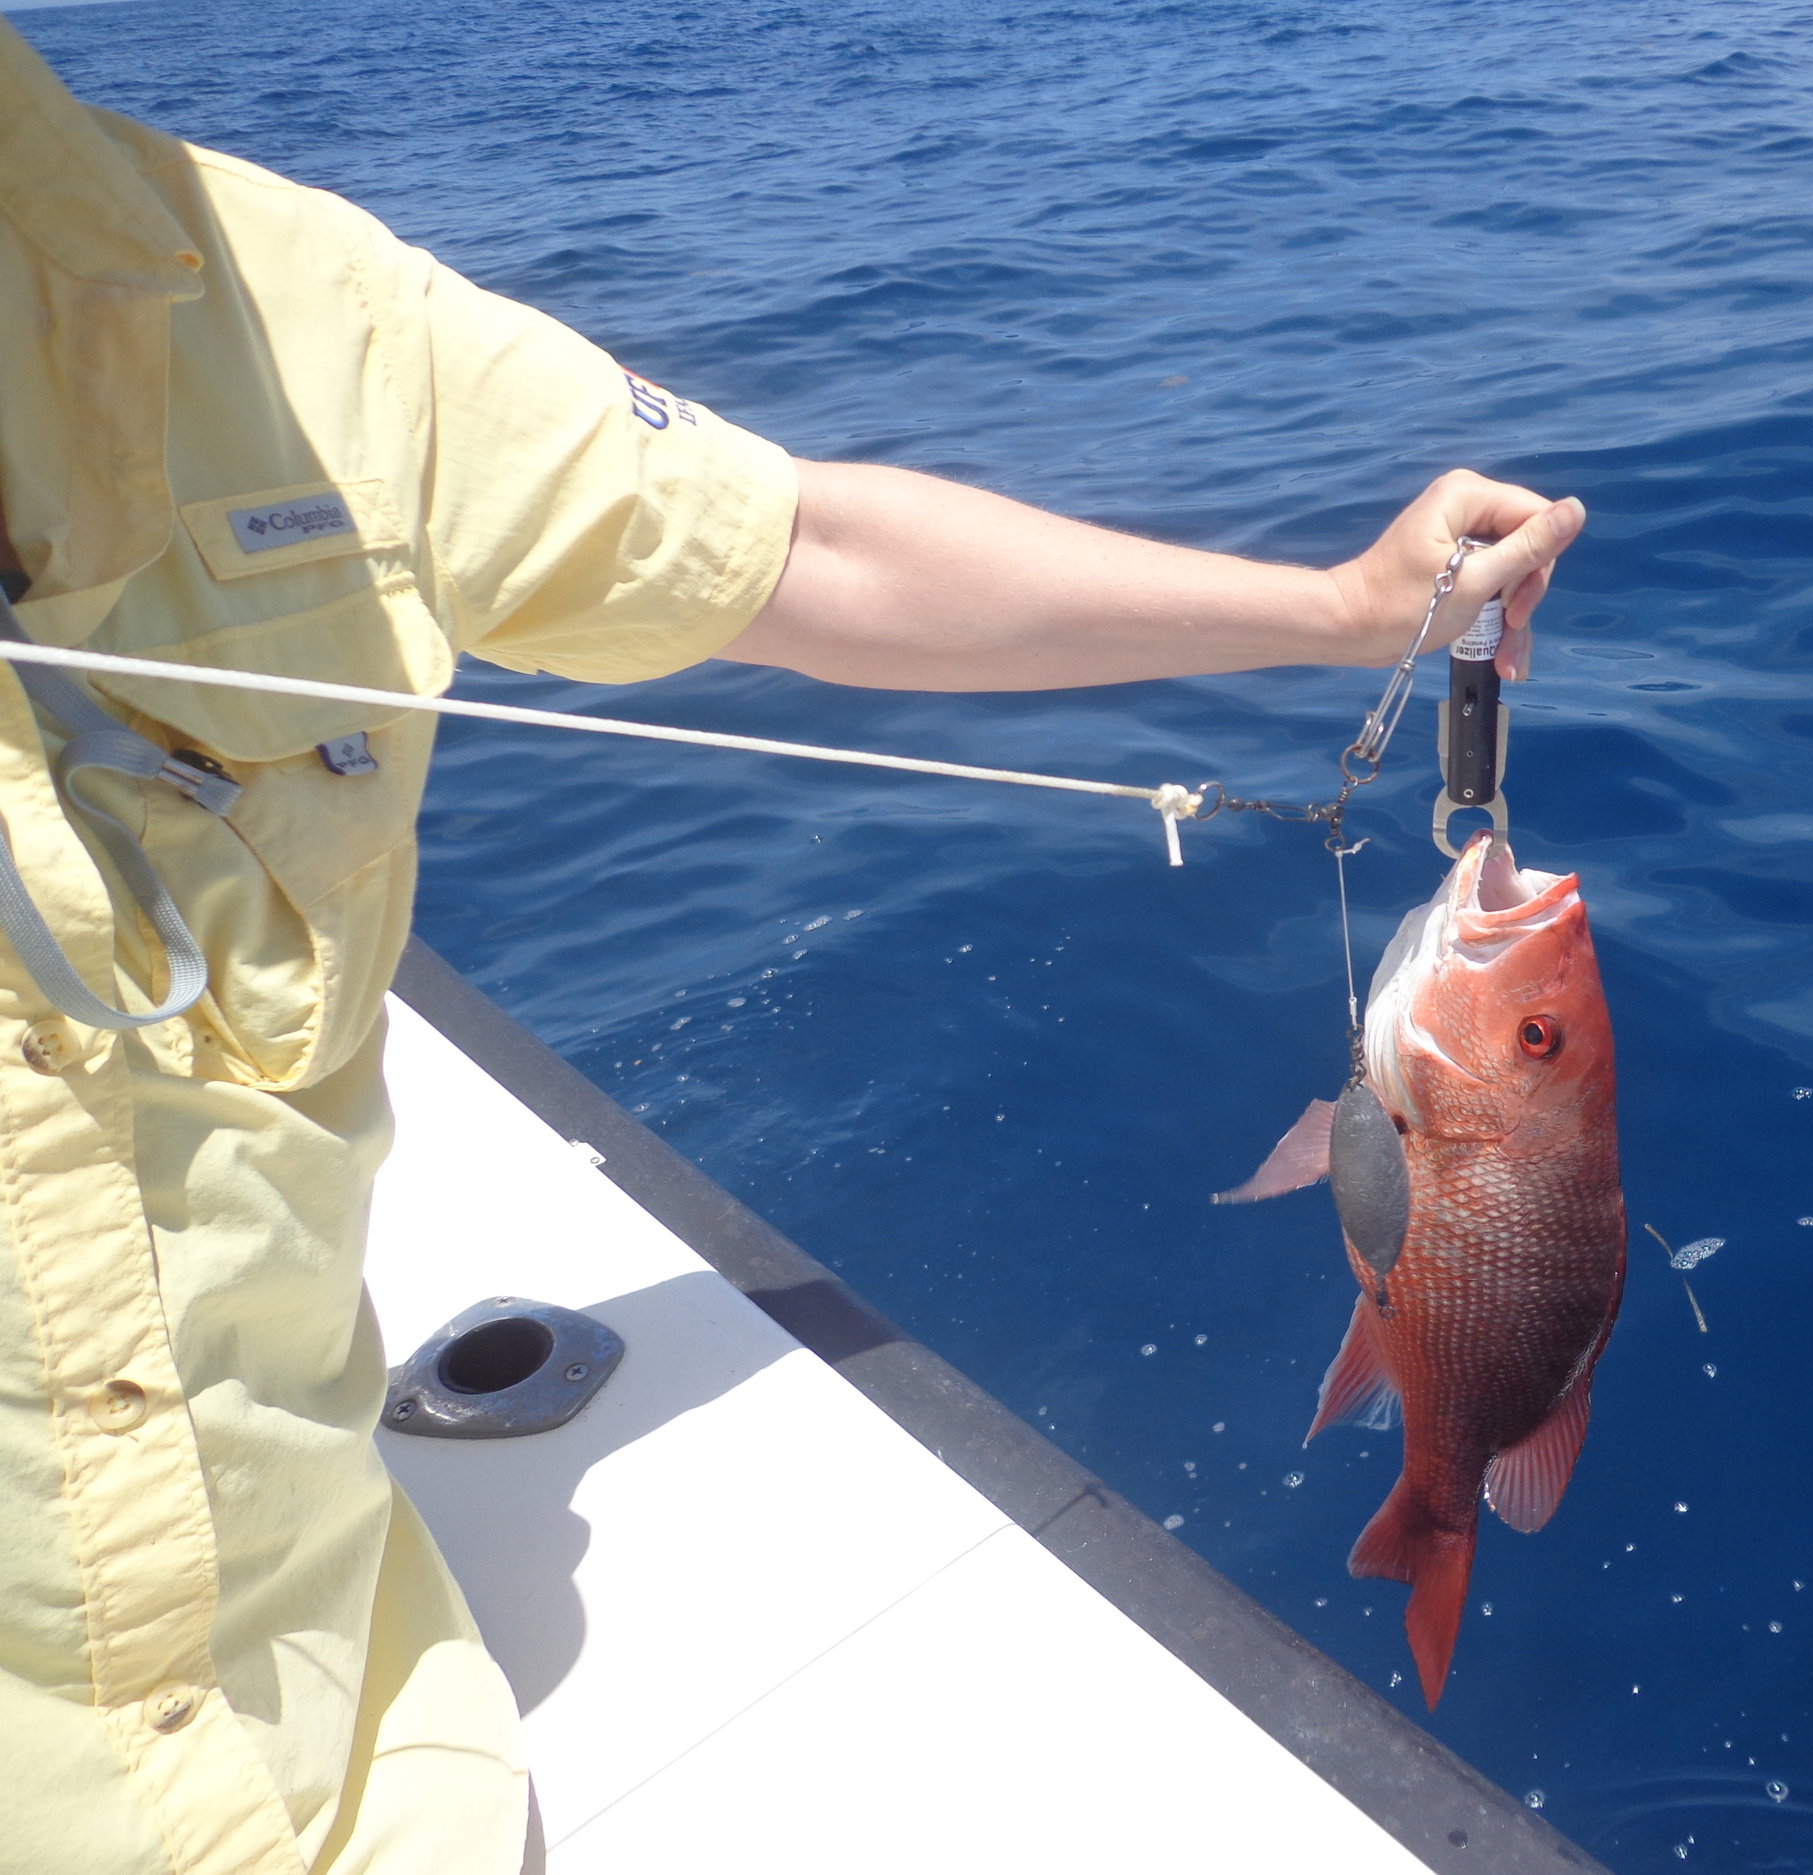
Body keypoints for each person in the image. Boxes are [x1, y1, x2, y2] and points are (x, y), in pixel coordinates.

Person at [0, 19, 1583, 1875]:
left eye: (1543, 1041)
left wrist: (1340, 613)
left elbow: (806, 546)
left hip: (362, 1773)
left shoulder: (274, 304)